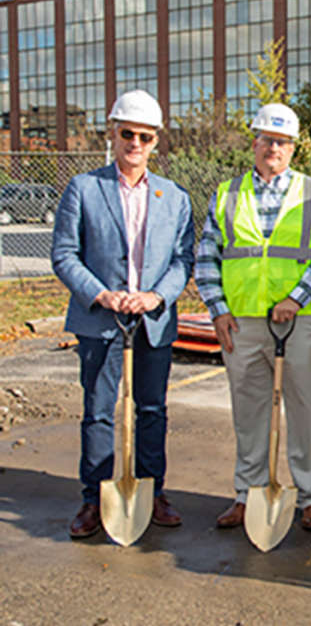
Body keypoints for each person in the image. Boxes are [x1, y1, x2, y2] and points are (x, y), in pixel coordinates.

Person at [52, 90, 195, 538]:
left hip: (151, 321)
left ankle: (152, 493)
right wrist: (101, 295)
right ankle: (94, 499)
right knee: (98, 411)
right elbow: (64, 254)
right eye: (127, 133)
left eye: (144, 136)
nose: (135, 142)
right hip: (101, 321)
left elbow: (182, 260)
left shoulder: (173, 196)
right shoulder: (84, 188)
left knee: (152, 410)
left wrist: (156, 297)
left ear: (156, 142)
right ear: (112, 134)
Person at [195, 103, 311, 533]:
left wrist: (296, 299)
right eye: (265, 140)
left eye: (280, 142)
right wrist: (218, 309)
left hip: (296, 320)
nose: (272, 148)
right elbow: (206, 255)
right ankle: (249, 493)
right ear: (254, 143)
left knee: (303, 408)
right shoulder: (227, 193)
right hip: (242, 321)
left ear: (293, 148)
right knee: (249, 410)